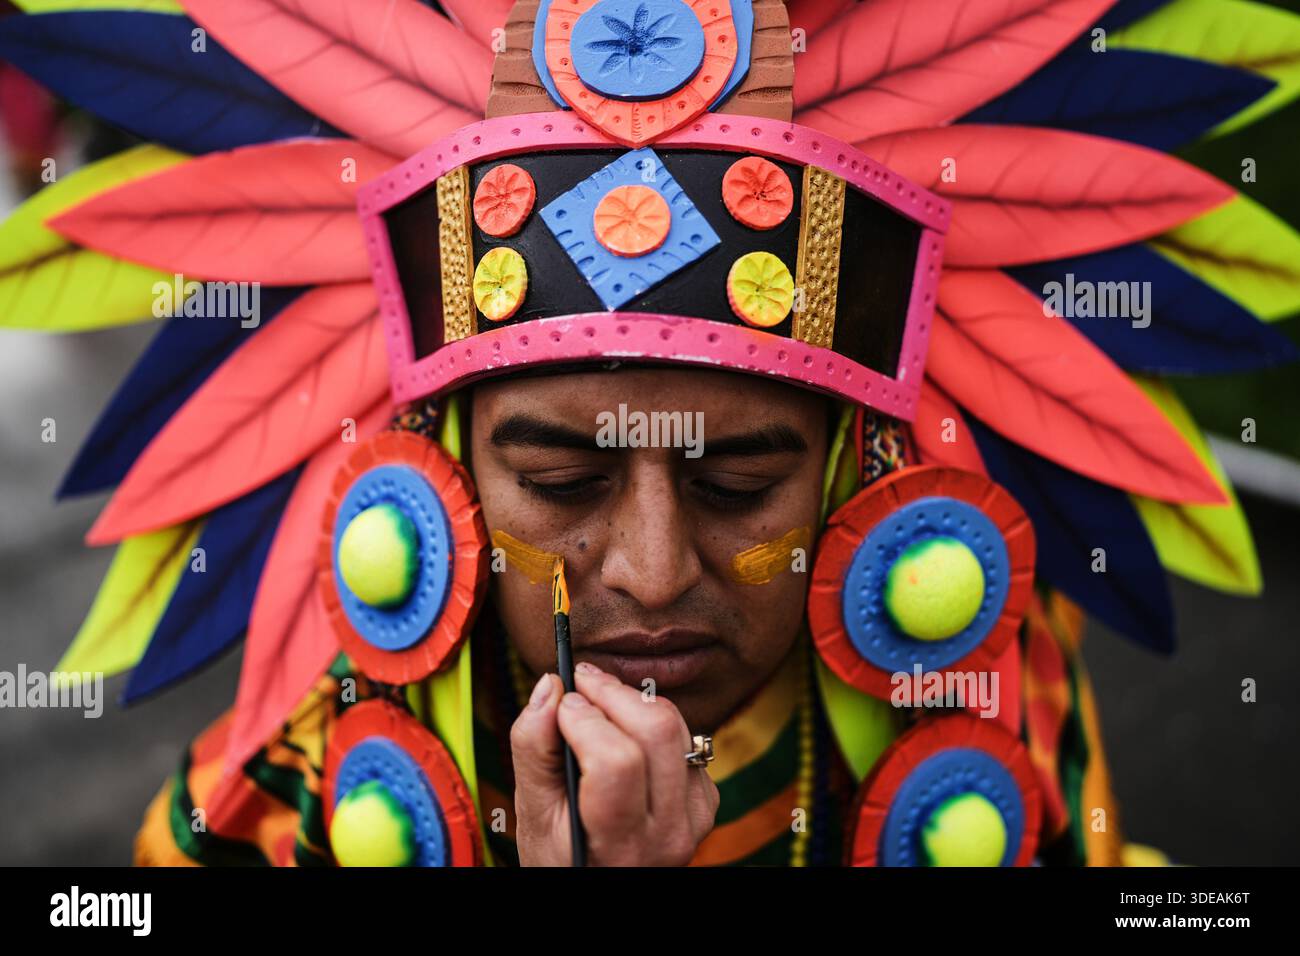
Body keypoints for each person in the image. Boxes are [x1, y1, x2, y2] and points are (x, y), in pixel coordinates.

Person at [9, 0, 1293, 868]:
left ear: (862, 463)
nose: (652, 568)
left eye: (742, 477)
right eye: (560, 476)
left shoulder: (985, 713)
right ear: (436, 469)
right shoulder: (297, 783)